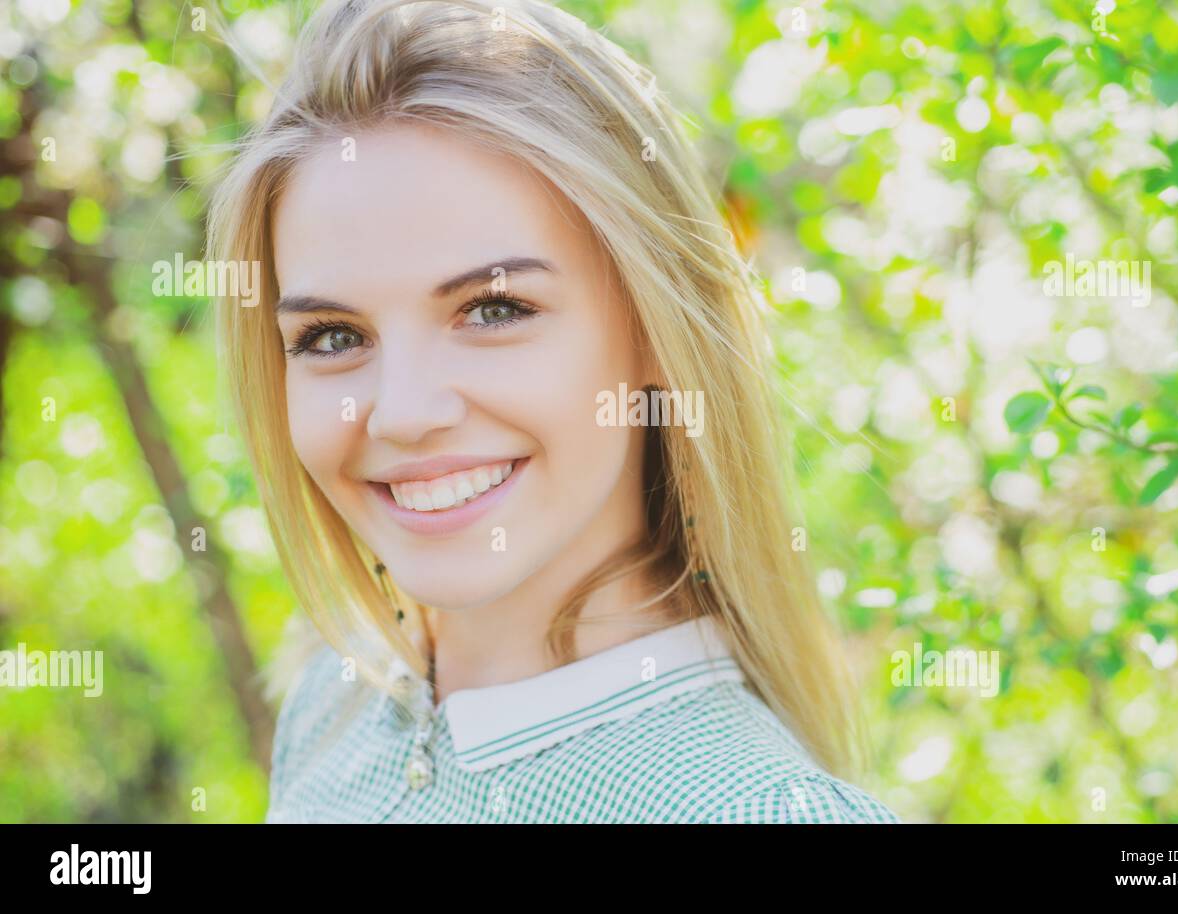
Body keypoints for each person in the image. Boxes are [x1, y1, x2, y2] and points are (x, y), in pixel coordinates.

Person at [207, 0, 897, 824]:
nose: (401, 413)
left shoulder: (767, 811)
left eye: (494, 310)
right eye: (331, 335)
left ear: (655, 330)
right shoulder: (338, 693)